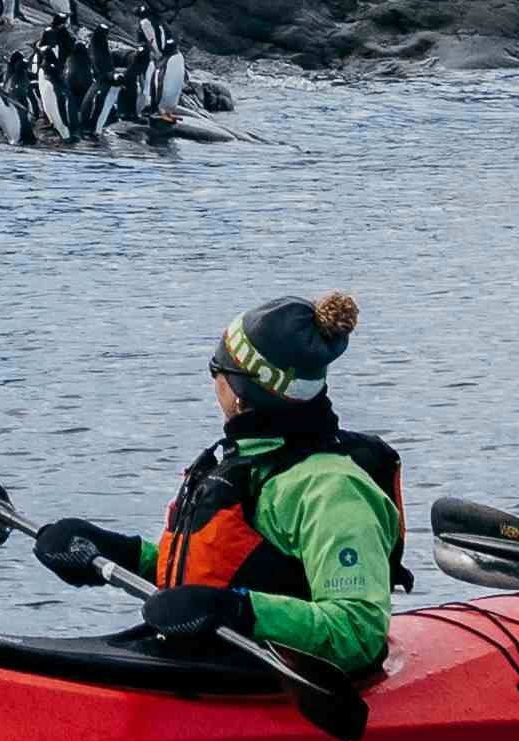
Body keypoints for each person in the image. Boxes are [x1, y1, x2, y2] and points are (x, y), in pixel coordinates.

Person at [36, 292, 404, 685]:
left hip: (267, 688)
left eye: (218, 367)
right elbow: (223, 568)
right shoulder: (249, 462)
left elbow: (358, 632)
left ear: (245, 392)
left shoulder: (330, 490)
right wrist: (118, 553)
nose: (213, 378)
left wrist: (239, 610)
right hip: (208, 667)